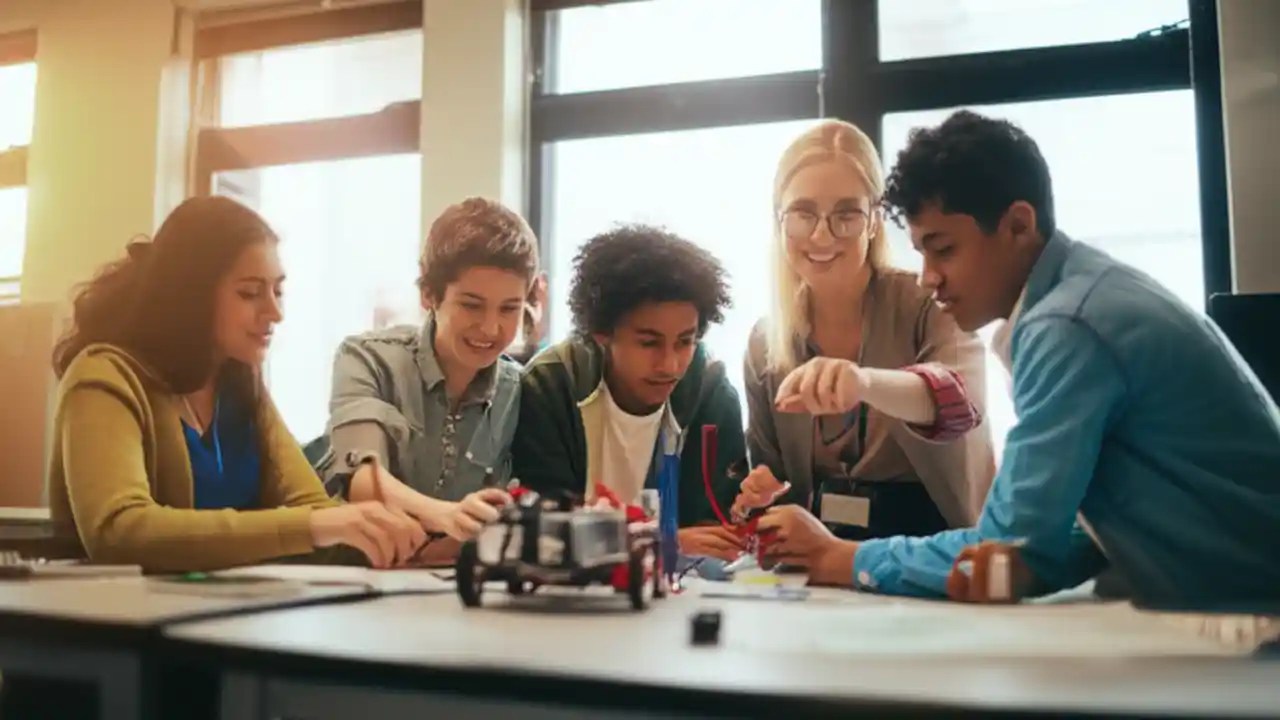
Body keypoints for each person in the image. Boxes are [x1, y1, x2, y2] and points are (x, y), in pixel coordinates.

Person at [750, 110, 1280, 608]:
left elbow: (1007, 547)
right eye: (921, 252)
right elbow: (1056, 540)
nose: (928, 276)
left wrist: (843, 558)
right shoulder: (1087, 294)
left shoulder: (1065, 326)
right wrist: (1028, 561)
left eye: (944, 249)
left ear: (1019, 227)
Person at [48, 196, 423, 572]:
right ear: (190, 295)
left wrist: (419, 540)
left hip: (222, 614)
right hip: (119, 622)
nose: (275, 313)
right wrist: (315, 526)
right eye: (249, 292)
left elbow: (312, 510)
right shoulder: (103, 376)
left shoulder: (238, 379)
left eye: (277, 290)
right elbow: (119, 532)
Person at [736, 119, 993, 543]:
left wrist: (864, 383)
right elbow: (775, 486)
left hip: (936, 550)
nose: (821, 235)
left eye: (846, 214)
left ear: (874, 220)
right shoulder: (766, 341)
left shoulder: (929, 301)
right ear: (778, 220)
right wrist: (761, 491)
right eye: (802, 213)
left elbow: (961, 401)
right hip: (821, 563)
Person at [512, 225, 749, 561]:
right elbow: (542, 528)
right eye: (649, 342)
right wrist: (662, 541)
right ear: (602, 333)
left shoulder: (713, 395)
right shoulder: (550, 387)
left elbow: (718, 533)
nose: (669, 364)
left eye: (685, 341)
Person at [317, 197, 533, 563]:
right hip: (343, 575)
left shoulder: (519, 389)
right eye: (471, 304)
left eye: (509, 308)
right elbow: (360, 479)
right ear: (429, 294)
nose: (491, 328)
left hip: (439, 586)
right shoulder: (367, 358)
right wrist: (446, 515)